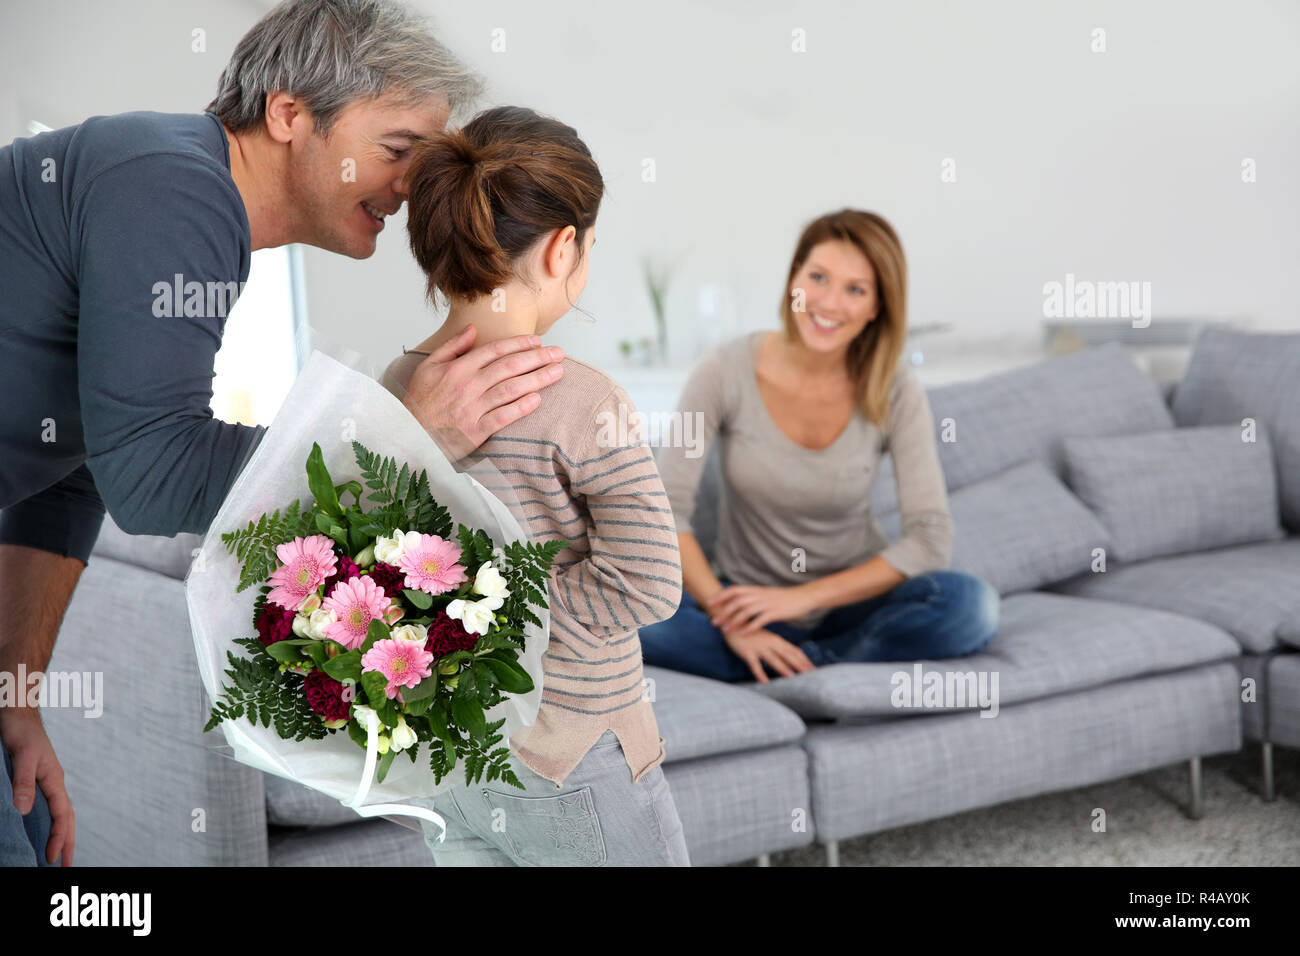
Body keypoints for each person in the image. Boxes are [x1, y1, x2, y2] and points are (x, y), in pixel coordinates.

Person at [0, 0, 565, 867]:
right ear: (289, 113)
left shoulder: (177, 196)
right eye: (399, 150)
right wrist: (396, 431)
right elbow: (153, 476)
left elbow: (77, 479)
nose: (415, 186)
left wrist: (17, 692)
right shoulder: (175, 186)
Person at [382, 105, 691, 866]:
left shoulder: (393, 389)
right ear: (563, 249)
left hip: (445, 751)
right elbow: (649, 585)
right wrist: (506, 618)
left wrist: (465, 620)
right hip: (574, 750)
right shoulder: (583, 400)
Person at [638, 210, 1000, 684]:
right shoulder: (725, 369)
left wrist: (803, 598)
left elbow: (931, 538)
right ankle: (811, 671)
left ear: (877, 307)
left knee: (972, 607)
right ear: (793, 281)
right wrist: (730, 619)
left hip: (850, 604)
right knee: (634, 617)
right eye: (818, 277)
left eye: (856, 289)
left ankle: (801, 668)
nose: (828, 302)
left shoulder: (895, 388)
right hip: (743, 605)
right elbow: (665, 510)